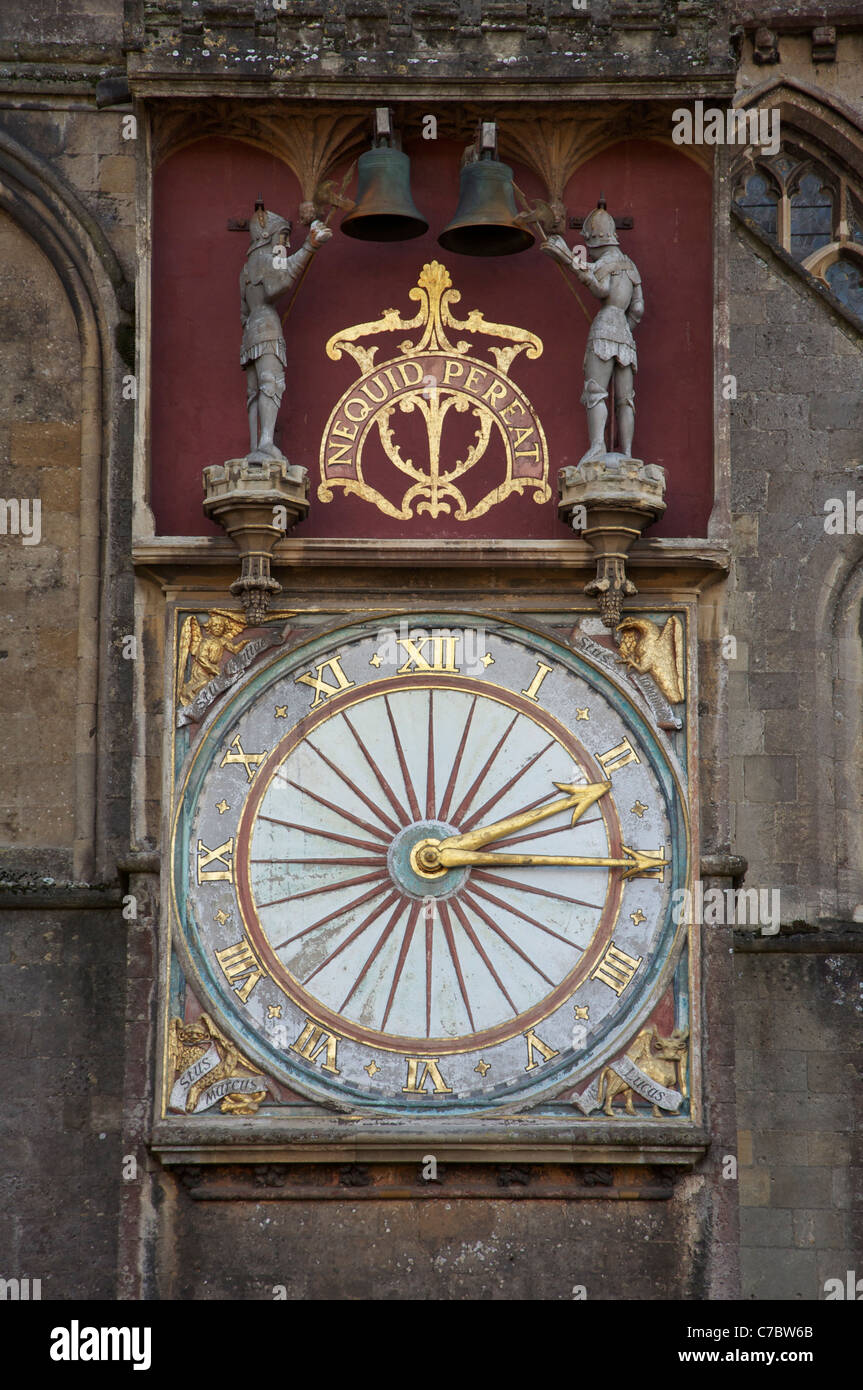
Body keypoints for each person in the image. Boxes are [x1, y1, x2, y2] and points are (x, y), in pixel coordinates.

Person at [542, 201, 644, 462]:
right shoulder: (631, 265)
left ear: (594, 240)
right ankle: (628, 453)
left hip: (604, 328)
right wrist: (624, 330)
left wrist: (572, 263)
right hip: (625, 335)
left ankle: (598, 446)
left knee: (595, 391)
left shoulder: (606, 262)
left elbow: (602, 290)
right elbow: (638, 309)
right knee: (625, 399)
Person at [240, 202, 332, 461]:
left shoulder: (248, 267)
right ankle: (265, 442)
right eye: (283, 236)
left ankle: (256, 446)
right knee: (272, 384)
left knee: (256, 389)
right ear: (267, 235)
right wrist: (309, 246)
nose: (286, 243)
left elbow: (243, 311)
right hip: (267, 326)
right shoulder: (265, 258)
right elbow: (278, 284)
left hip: (250, 331)